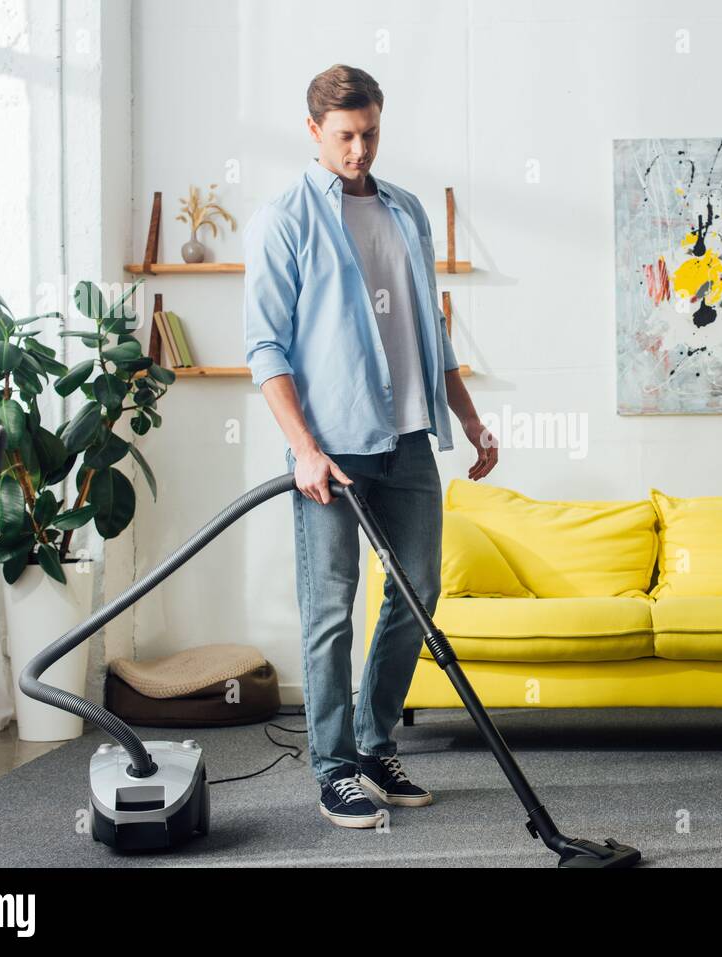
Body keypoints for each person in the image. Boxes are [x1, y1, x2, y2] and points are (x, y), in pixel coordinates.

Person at [243, 63, 497, 829]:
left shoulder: (405, 211)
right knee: (330, 610)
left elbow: (432, 333)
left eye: (372, 133)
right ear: (314, 131)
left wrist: (471, 420)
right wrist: (303, 448)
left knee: (419, 592)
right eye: (346, 136)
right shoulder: (285, 217)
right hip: (331, 451)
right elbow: (265, 347)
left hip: (409, 437)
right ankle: (333, 769)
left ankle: (374, 744)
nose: (360, 150)